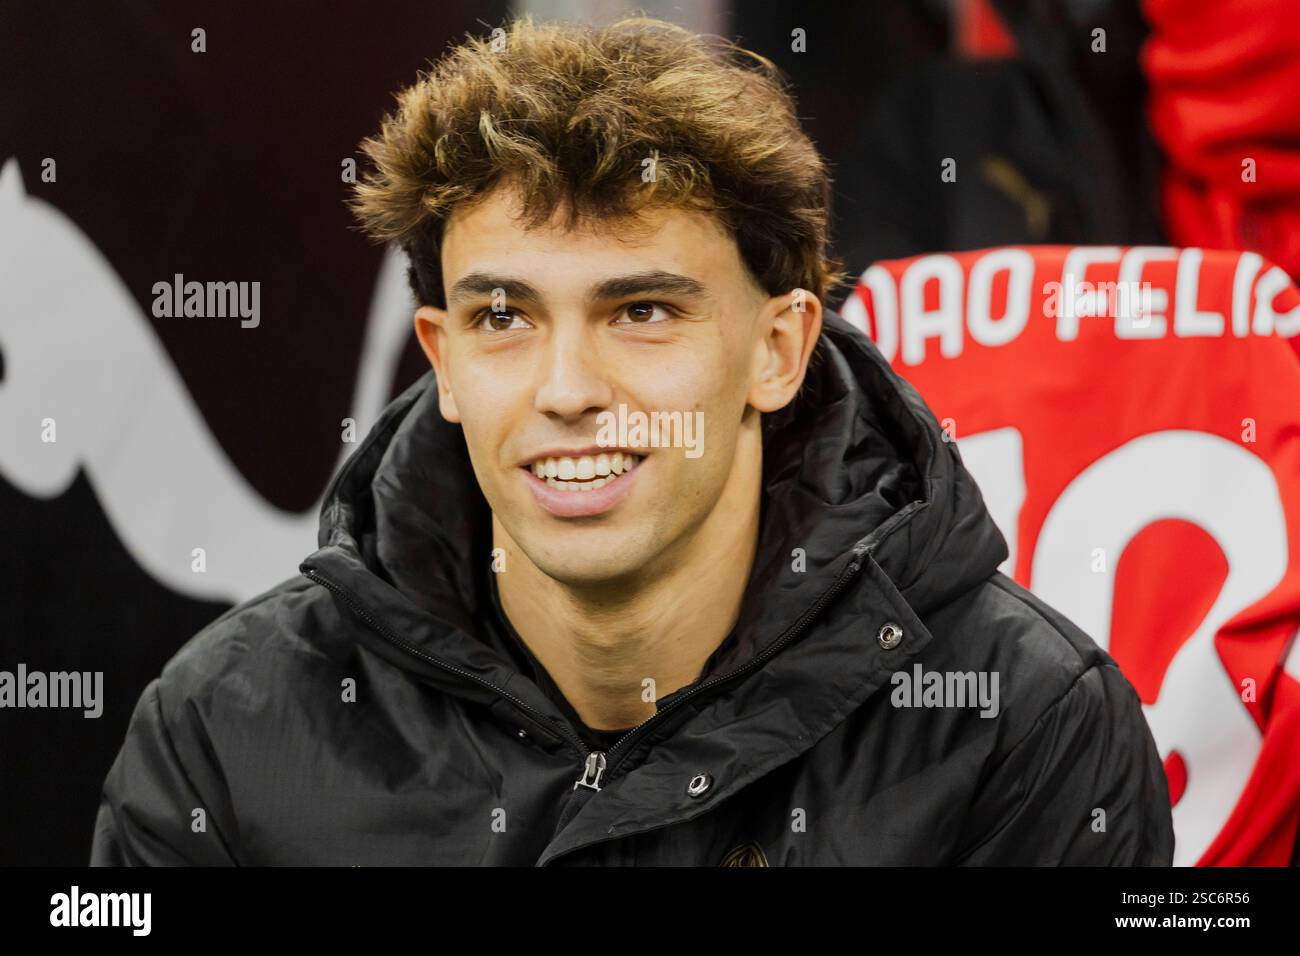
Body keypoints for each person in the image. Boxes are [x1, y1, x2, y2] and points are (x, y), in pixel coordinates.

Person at [90, 16, 1173, 866]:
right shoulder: (223, 732)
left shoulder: (1024, 726)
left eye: (642, 310)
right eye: (503, 316)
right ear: (443, 355)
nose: (566, 390)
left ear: (779, 347)